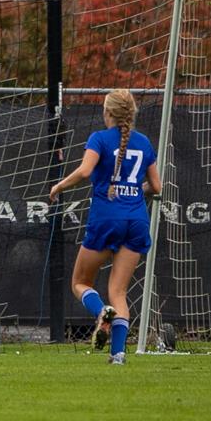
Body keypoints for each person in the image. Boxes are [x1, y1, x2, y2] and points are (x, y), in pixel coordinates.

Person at [48, 88, 161, 366]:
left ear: (108, 112)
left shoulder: (98, 138)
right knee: (119, 291)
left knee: (80, 282)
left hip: (106, 220)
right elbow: (157, 187)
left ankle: (101, 312)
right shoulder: (144, 142)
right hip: (136, 221)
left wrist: (59, 186)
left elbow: (86, 171)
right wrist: (134, 189)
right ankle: (118, 355)